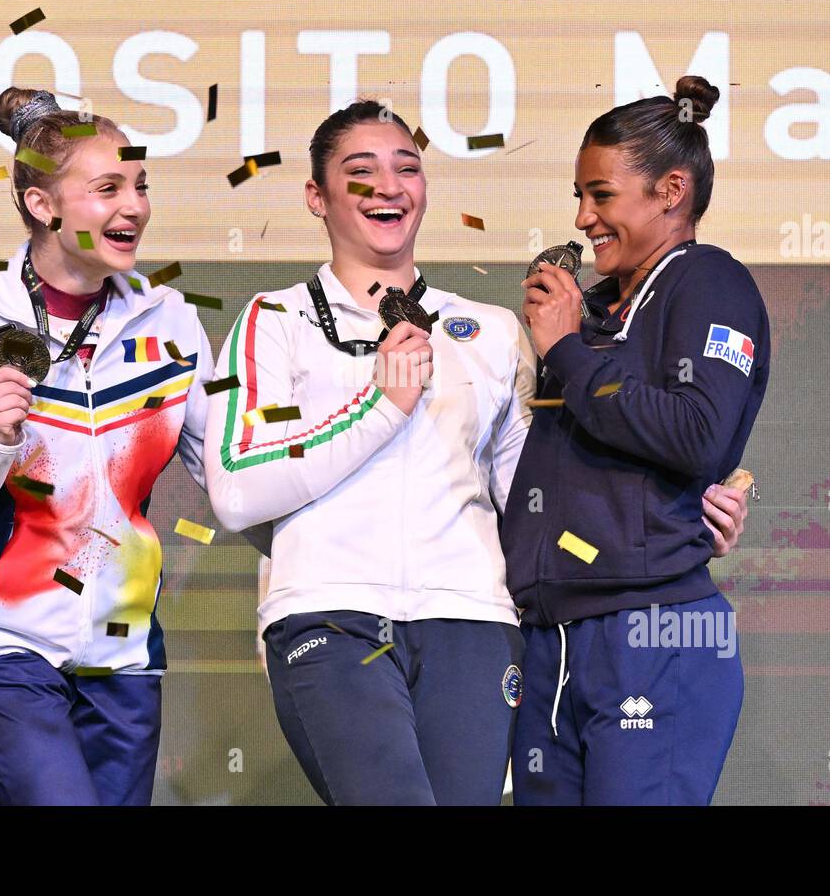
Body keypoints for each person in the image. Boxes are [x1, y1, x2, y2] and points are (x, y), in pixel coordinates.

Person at [204, 100, 748, 805]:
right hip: (331, 612)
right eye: (361, 172)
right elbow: (239, 492)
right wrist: (379, 410)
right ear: (317, 195)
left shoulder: (490, 331)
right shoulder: (274, 322)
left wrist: (670, 511)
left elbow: (533, 492)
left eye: (408, 168)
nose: (390, 187)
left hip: (475, 622)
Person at [0, 87, 214, 805]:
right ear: (44, 206)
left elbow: (234, 476)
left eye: (140, 186)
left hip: (126, 655)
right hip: (3, 647)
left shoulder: (173, 324)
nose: (134, 206)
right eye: (107, 189)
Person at [503, 75, 770, 805]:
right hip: (551, 641)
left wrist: (567, 351)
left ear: (671, 190)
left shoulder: (709, 283)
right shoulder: (586, 312)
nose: (583, 217)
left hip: (653, 636)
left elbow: (699, 435)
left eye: (601, 195)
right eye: (579, 197)